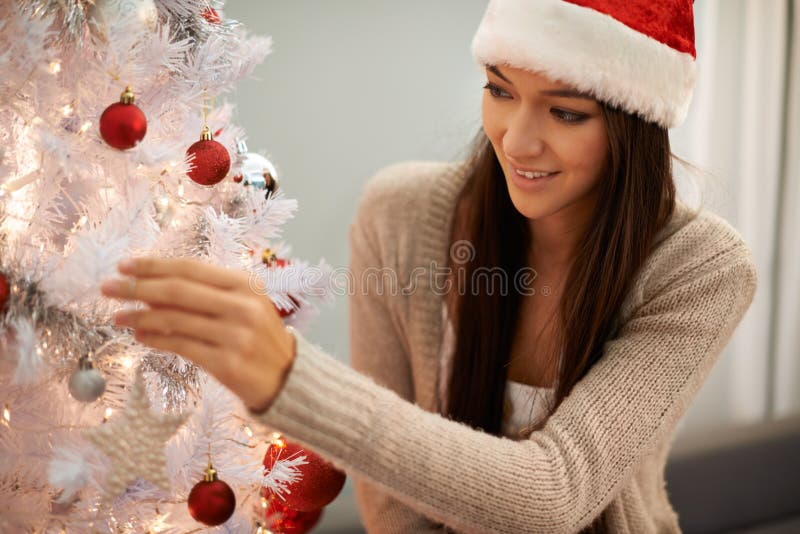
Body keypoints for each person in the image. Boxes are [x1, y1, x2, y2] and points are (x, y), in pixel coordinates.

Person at [100, 1, 759, 532]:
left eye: (565, 111)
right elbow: (392, 509)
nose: (517, 139)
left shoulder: (701, 269)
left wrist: (291, 377)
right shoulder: (402, 215)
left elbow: (555, 496)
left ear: (635, 122)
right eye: (499, 90)